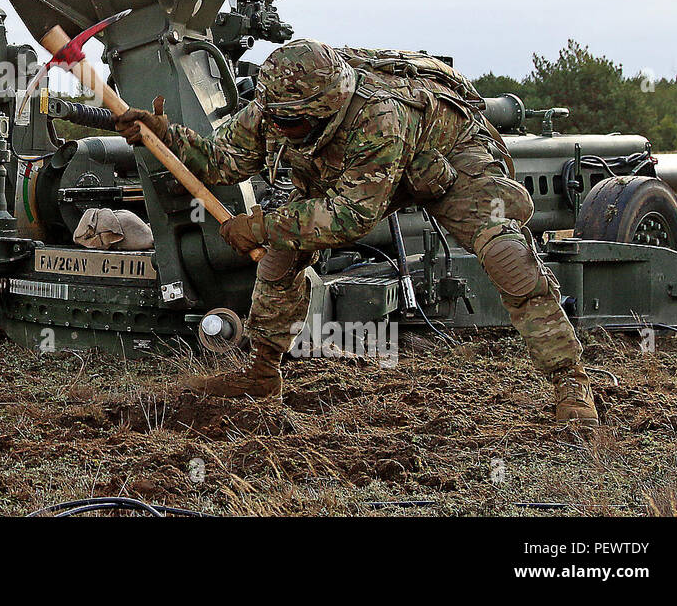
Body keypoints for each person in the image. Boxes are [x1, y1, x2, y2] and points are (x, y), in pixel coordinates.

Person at [115, 38, 598, 423]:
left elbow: (350, 216)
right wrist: (164, 135)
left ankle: (570, 380)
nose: (279, 130)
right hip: (356, 178)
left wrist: (259, 224)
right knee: (283, 253)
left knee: (506, 255)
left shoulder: (378, 116)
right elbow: (220, 161)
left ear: (326, 109)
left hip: (445, 160)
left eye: (293, 123)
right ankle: (262, 374)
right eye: (275, 119)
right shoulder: (277, 107)